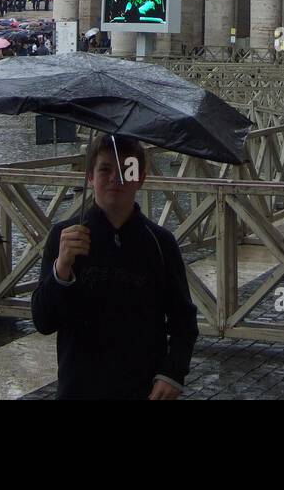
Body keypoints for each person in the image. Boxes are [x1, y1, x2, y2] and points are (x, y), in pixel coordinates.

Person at [31, 136, 198, 399]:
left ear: (141, 178)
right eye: (105, 169)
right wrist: (61, 267)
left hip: (142, 389)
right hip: (79, 389)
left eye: (126, 169)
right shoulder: (63, 236)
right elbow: (43, 321)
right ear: (90, 177)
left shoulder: (161, 243)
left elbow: (184, 320)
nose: (115, 178)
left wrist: (173, 373)